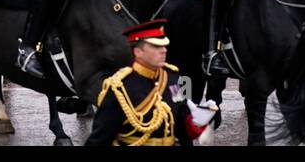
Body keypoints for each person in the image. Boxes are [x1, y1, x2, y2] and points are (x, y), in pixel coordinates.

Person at [85, 19, 218, 146]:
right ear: (138, 52)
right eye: (156, 46)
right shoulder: (120, 88)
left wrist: (197, 120)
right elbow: (99, 139)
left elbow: (180, 129)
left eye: (164, 45)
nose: (164, 50)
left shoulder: (173, 79)